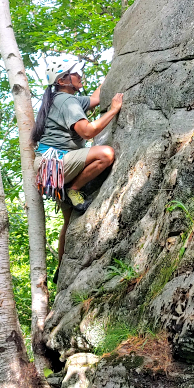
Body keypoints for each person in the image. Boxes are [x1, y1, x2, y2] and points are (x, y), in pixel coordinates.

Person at [31, 57, 123, 281]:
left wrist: (116, 64)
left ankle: (62, 270)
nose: (80, 76)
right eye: (76, 74)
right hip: (55, 164)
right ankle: (74, 188)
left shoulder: (64, 99)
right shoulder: (66, 102)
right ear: (63, 80)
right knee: (106, 154)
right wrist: (113, 110)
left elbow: (96, 98)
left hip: (50, 166)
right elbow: (88, 132)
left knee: (69, 220)